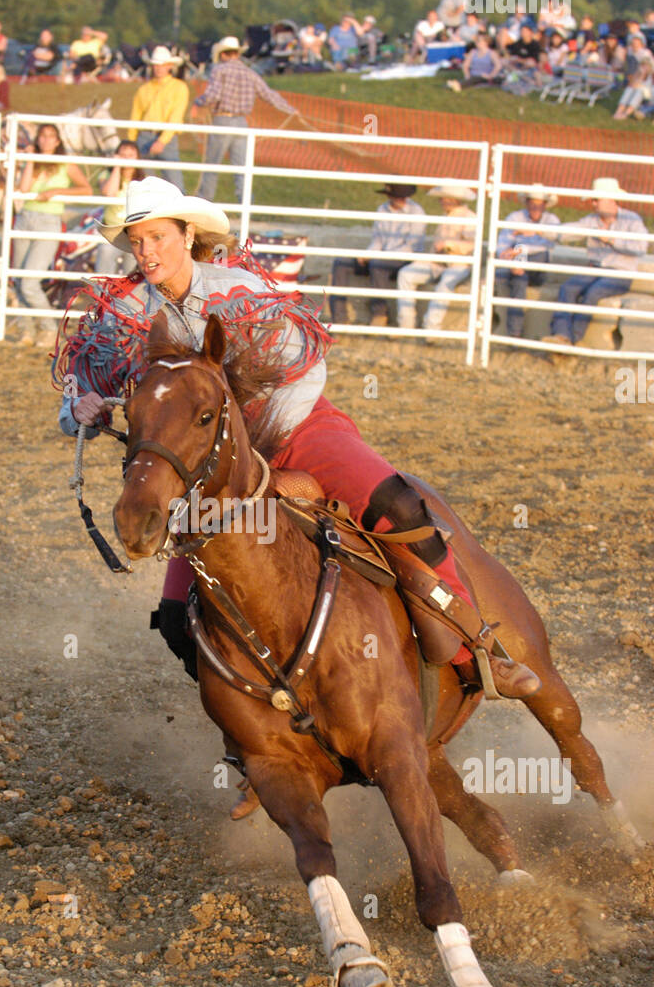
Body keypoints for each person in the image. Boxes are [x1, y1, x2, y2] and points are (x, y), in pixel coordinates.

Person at [56, 176, 541, 721]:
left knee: (399, 507)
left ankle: (476, 648)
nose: (147, 252)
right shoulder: (125, 319)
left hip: (298, 429)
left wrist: (261, 449)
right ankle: (255, 733)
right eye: (137, 241)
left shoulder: (238, 291)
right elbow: (79, 396)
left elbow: (304, 370)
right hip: (208, 470)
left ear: (187, 234)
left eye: (158, 237)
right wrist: (81, 412)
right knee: (174, 619)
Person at [191, 37, 299, 203]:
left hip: (223, 120)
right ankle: (246, 204)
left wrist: (198, 102)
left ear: (223, 54)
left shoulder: (219, 70)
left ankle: (204, 202)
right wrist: (291, 110)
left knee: (212, 165)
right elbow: (268, 94)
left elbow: (214, 95)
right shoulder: (250, 72)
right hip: (242, 123)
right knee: (242, 168)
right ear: (236, 53)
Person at [13, 122, 92, 348]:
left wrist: (57, 191)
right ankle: (27, 330)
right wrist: (30, 160)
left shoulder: (65, 164)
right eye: (43, 136)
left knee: (29, 281)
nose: (46, 140)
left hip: (49, 222)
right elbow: (24, 188)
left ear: (57, 142)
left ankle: (48, 328)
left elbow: (85, 188)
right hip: (26, 218)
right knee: (19, 280)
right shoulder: (33, 163)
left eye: (51, 137)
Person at [546, 177, 648, 347]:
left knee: (594, 293)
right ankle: (562, 335)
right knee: (568, 288)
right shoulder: (591, 221)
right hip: (595, 269)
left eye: (596, 199)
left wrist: (611, 240)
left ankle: (574, 338)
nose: (593, 204)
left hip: (620, 273)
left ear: (610, 200)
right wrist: (540, 230)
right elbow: (567, 232)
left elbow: (640, 247)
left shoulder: (632, 220)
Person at [329, 184, 426, 325]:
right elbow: (378, 241)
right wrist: (368, 254)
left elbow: (411, 247)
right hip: (382, 257)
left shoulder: (417, 212)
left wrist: (379, 256)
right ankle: (339, 318)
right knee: (341, 263)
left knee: (377, 264)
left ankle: (380, 313)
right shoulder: (383, 209)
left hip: (404, 260)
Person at [396, 185, 477, 330]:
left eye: (445, 198)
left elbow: (471, 245)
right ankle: (406, 322)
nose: (441, 201)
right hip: (437, 261)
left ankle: (432, 325)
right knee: (406, 274)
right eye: (442, 198)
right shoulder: (445, 216)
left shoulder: (470, 217)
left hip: (459, 263)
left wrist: (449, 244)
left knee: (446, 284)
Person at [493, 185, 560, 337]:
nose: (536, 207)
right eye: (532, 203)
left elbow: (548, 245)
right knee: (518, 280)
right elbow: (502, 246)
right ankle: (515, 332)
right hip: (518, 261)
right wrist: (513, 258)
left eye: (539, 203)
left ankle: (513, 332)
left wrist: (518, 253)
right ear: (527, 203)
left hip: (537, 264)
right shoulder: (515, 218)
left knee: (515, 272)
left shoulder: (551, 220)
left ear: (544, 205)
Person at [128, 46, 190, 190]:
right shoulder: (143, 89)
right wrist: (132, 143)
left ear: (169, 66)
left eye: (161, 65)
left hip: (166, 139)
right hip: (144, 136)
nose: (158, 68)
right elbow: (135, 117)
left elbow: (176, 116)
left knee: (175, 185)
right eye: (156, 65)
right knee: (143, 185)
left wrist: (162, 141)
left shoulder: (179, 87)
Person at [93, 140, 144, 277]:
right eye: (123, 155)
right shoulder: (106, 176)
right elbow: (110, 193)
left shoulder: (144, 181)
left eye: (131, 155)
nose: (127, 158)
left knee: (132, 276)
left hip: (134, 232)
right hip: (111, 232)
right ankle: (101, 297)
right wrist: (116, 167)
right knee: (104, 274)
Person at [614, 35, 654, 119]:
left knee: (639, 91)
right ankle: (619, 111)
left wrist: (638, 83)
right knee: (629, 89)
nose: (635, 46)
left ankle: (626, 113)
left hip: (648, 86)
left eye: (637, 44)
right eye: (633, 44)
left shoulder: (645, 54)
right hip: (638, 81)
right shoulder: (631, 54)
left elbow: (647, 74)